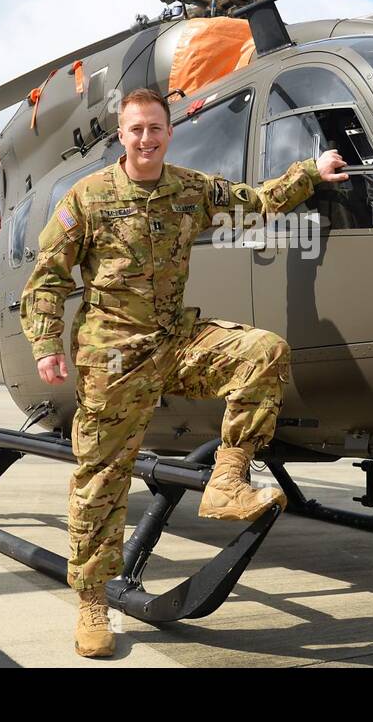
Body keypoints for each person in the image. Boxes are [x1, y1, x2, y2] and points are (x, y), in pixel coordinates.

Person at [20, 86, 349, 657]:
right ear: (121, 136)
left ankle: (226, 481)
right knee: (102, 479)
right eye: (134, 130)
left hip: (174, 341)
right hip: (115, 357)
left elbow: (256, 201)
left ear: (168, 132)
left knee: (262, 350)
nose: (145, 139)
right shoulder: (88, 198)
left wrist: (311, 173)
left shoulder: (189, 190)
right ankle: (94, 601)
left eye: (154, 128)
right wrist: (47, 343)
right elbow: (47, 278)